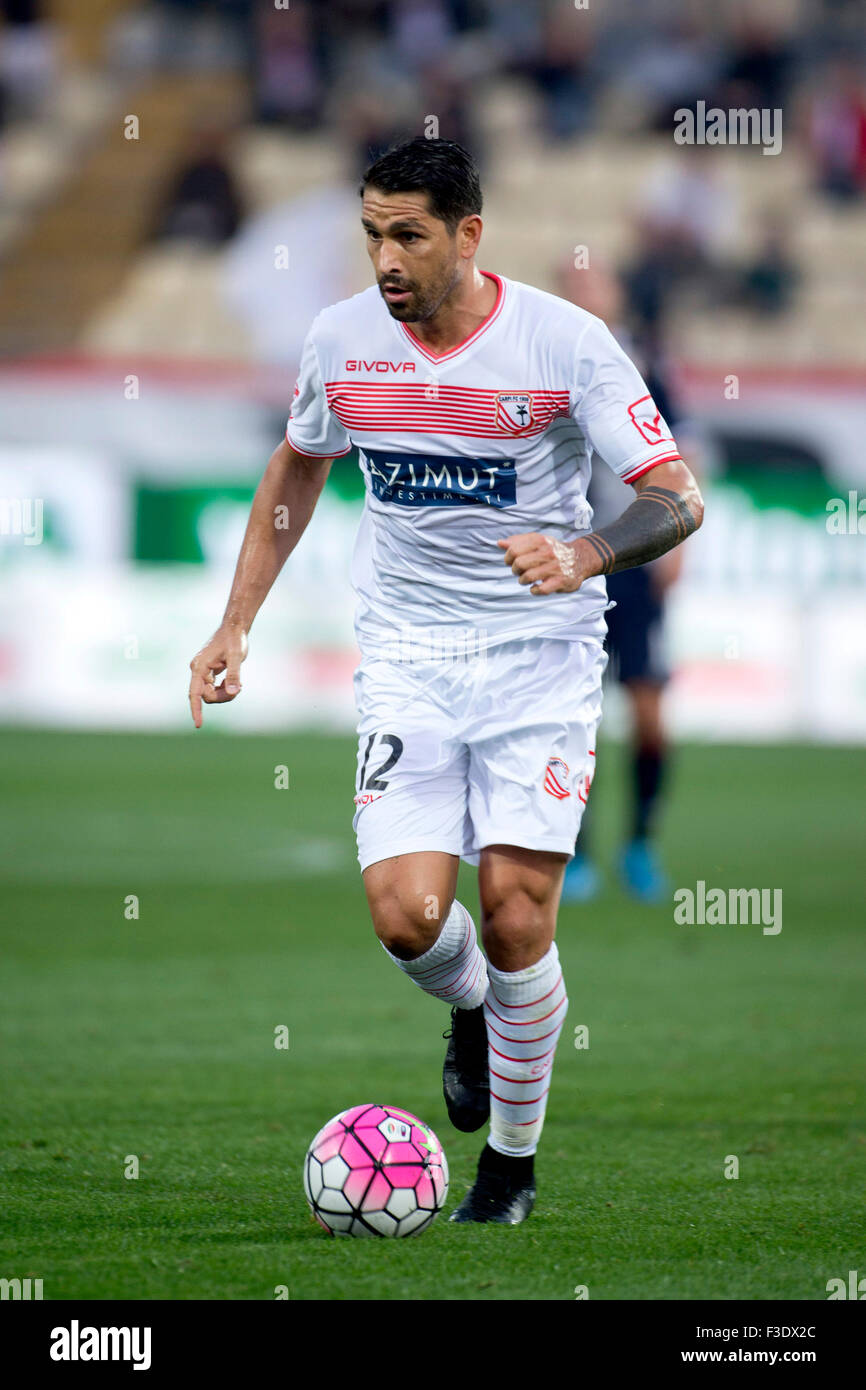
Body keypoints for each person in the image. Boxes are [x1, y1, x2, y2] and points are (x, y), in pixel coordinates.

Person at [188, 138, 703, 1224]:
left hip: (539, 659)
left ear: (467, 235)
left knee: (515, 916)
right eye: (372, 232)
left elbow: (674, 496)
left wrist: (584, 553)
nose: (385, 257)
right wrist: (235, 621)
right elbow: (297, 464)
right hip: (411, 657)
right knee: (407, 916)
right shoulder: (340, 341)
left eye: (408, 234)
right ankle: (469, 1007)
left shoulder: (563, 345)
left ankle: (508, 1168)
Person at [556, 259, 687, 904]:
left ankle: (639, 846)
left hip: (634, 559)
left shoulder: (645, 363)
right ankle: (574, 852)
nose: (584, 293)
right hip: (573, 560)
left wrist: (677, 547)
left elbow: (681, 453)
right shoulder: (546, 360)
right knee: (576, 717)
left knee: (649, 714)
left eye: (593, 283)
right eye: (573, 286)